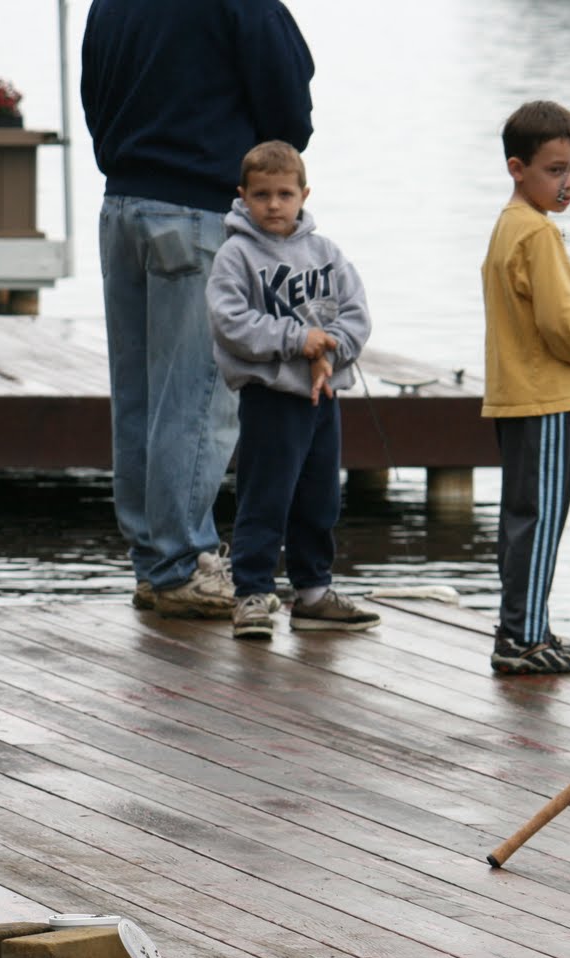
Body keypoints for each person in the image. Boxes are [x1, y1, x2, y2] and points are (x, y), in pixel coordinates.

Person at [81, 0, 314, 619]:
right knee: (199, 397)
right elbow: (289, 107)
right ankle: (181, 563)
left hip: (123, 206)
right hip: (201, 212)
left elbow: (92, 95)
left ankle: (152, 563)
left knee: (138, 397)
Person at [206, 141, 380, 641]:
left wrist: (332, 351)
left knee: (320, 496)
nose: (274, 205)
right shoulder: (235, 255)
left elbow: (355, 314)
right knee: (266, 496)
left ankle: (312, 594)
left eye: (285, 194)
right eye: (262, 195)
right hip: (270, 398)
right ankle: (253, 593)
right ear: (243, 196)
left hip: (323, 397)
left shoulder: (326, 253)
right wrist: (297, 340)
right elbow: (229, 323)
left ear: (304, 194)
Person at [482, 101, 570, 675]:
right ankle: (522, 640)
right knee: (540, 521)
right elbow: (564, 331)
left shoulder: (510, 225)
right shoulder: (538, 234)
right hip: (546, 401)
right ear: (518, 167)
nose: (569, 184)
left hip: (519, 394)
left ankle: (523, 624)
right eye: (556, 170)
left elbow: (551, 318)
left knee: (522, 518)